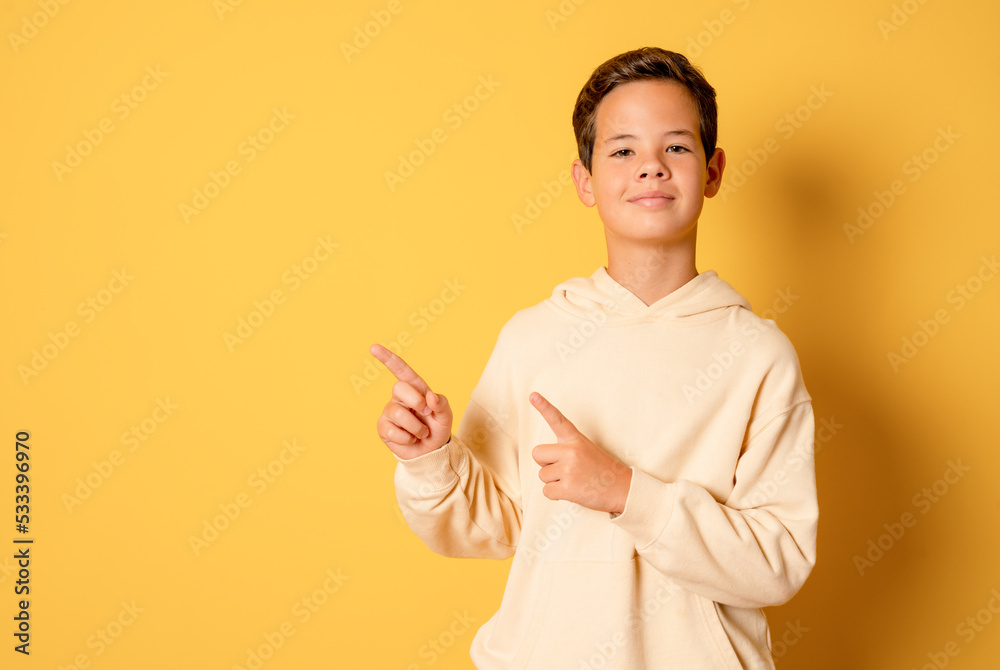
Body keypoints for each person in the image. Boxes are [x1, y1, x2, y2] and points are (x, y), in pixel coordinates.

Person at [370, 46, 817, 669]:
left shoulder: (758, 355)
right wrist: (430, 460)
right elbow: (488, 524)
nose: (651, 168)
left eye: (677, 148)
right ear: (585, 180)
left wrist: (626, 492)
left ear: (712, 172)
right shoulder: (533, 337)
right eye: (623, 149)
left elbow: (778, 560)